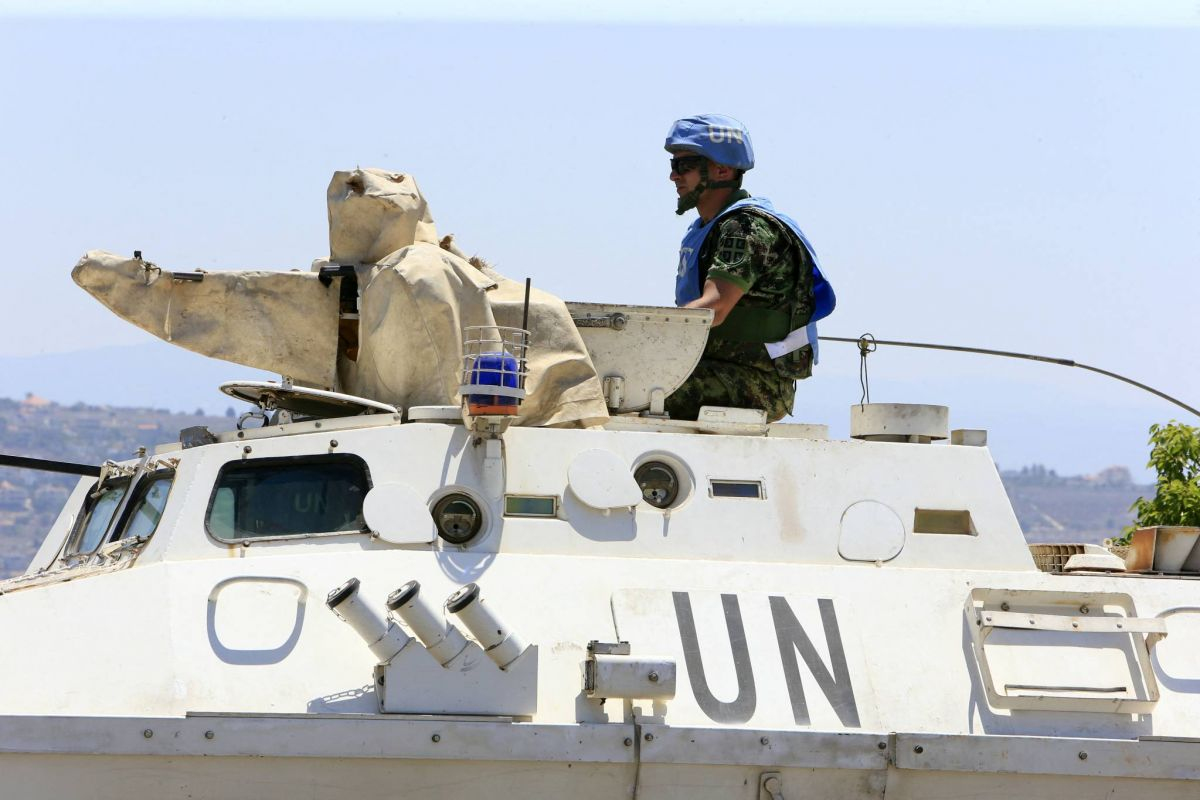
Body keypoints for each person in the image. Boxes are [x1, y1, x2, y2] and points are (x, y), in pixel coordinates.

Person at [663, 114, 835, 422]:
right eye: (673, 166)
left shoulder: (744, 227)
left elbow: (714, 307)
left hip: (757, 382)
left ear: (722, 169)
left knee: (633, 391)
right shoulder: (708, 227)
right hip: (712, 368)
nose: (674, 177)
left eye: (684, 166)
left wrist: (647, 332)